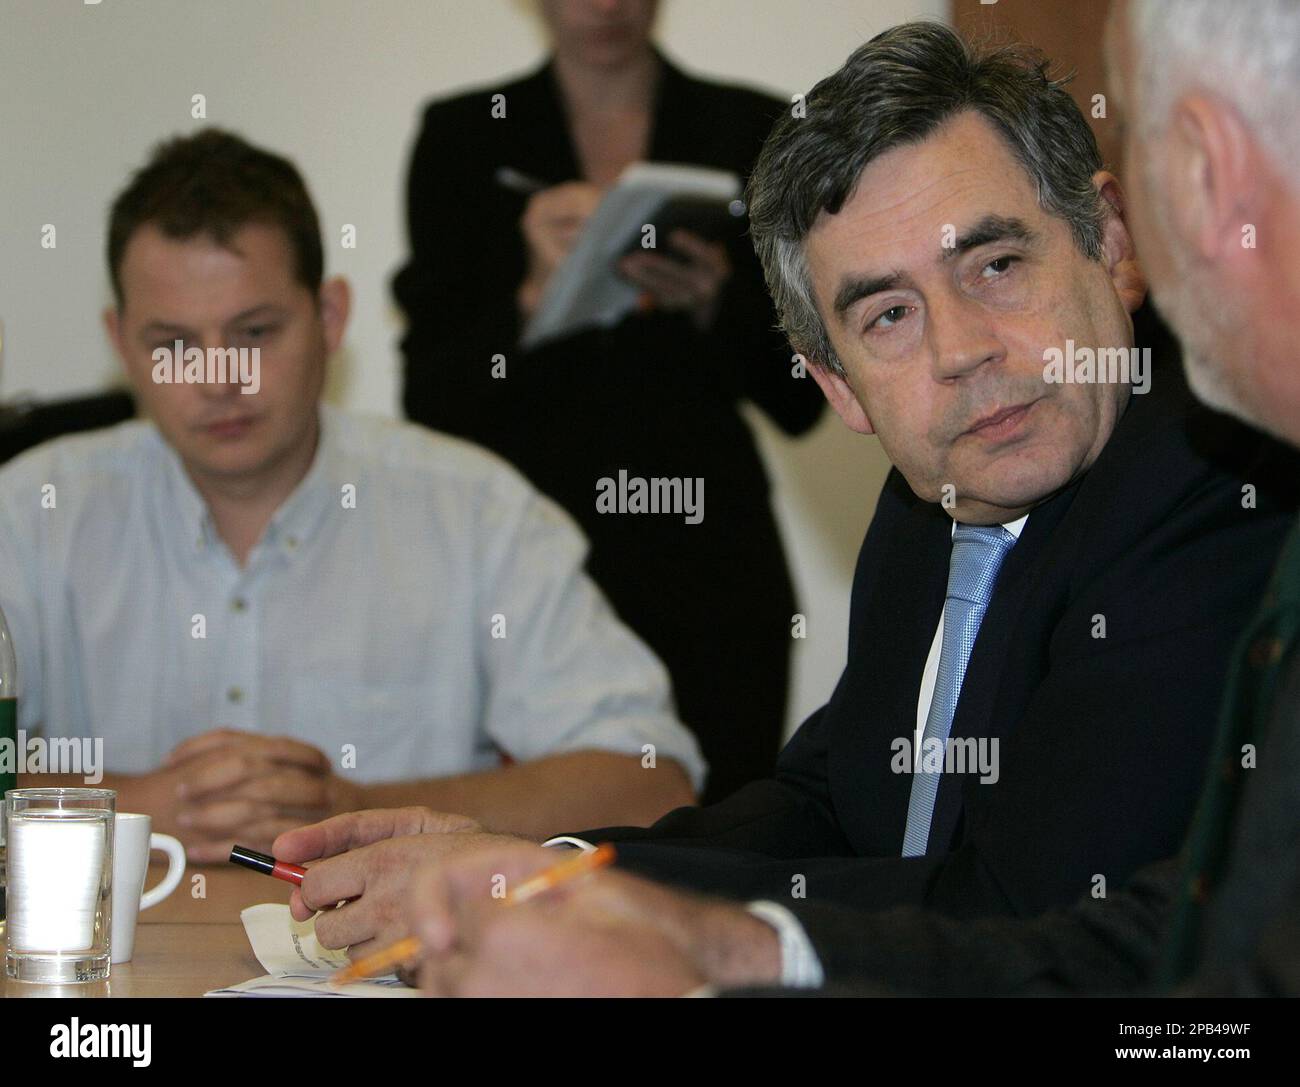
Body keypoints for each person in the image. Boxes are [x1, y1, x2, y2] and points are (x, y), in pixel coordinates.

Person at [272, 21, 1298, 967]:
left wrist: (644, 914)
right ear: (839, 387)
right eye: (889, 315)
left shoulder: (1206, 482)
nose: (962, 352)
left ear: (1111, 243)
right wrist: (548, 861)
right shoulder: (925, 508)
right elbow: (828, 799)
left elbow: (1016, 905)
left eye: (994, 264)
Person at [0, 128, 704, 864]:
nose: (217, 377)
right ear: (121, 345)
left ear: (330, 317)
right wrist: (149, 807)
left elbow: (649, 781)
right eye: (172, 342)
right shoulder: (30, 513)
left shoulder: (476, 512)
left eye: (255, 331)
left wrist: (360, 812)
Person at [392, 0, 824, 802]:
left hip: (713, 568)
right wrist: (529, 294)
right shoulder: (465, 137)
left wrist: (715, 303)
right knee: (527, 856)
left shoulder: (749, 127)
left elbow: (806, 399)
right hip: (530, 567)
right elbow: (431, 400)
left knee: (725, 845)